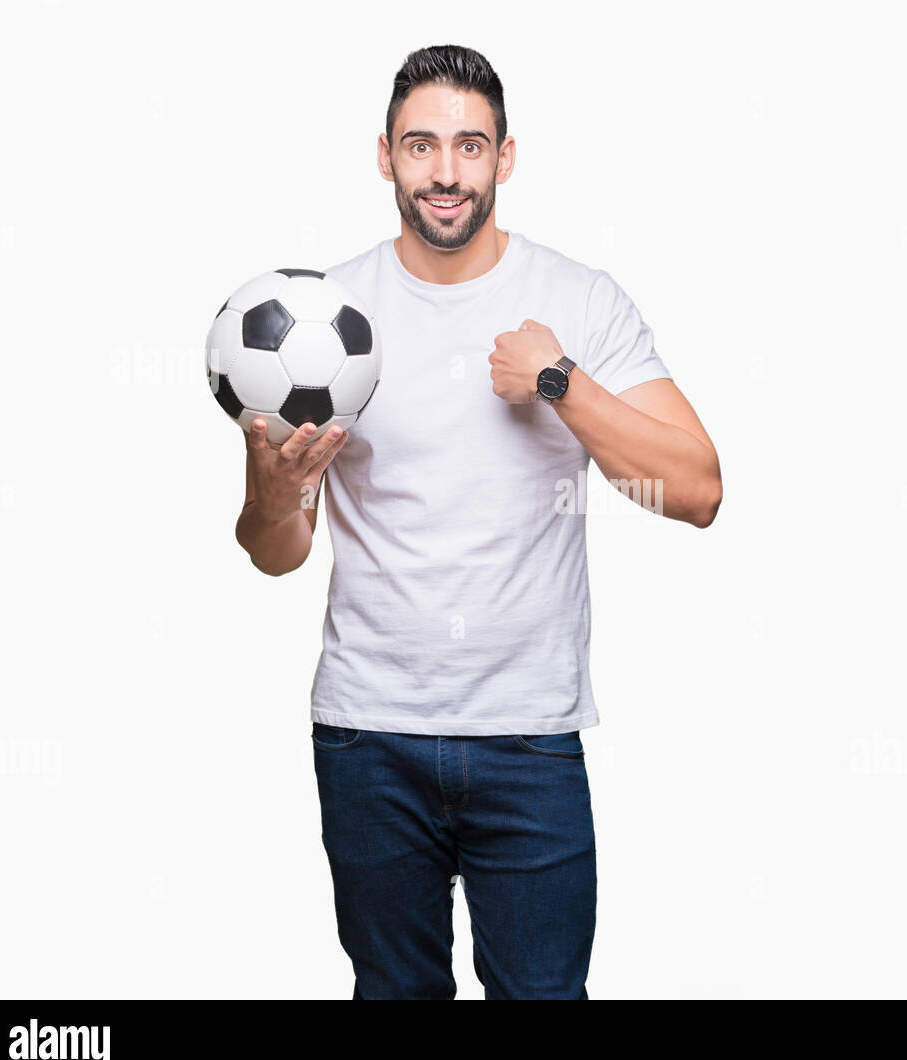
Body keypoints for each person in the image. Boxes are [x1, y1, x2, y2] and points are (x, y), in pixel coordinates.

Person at [234, 44, 722, 999]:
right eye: (421, 146)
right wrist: (270, 487)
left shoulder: (579, 300)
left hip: (529, 738)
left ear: (506, 157)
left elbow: (696, 489)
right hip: (368, 733)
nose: (446, 172)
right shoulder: (320, 321)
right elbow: (275, 554)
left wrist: (560, 382)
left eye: (469, 146)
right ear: (384, 157)